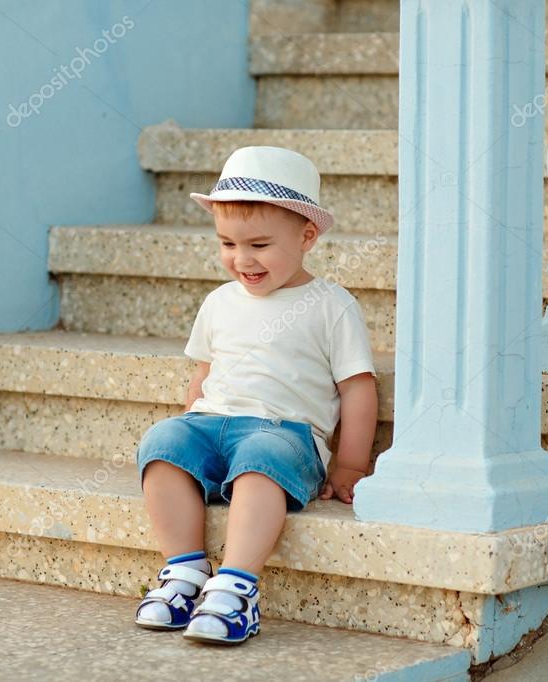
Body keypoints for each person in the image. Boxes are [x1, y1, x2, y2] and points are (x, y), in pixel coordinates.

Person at [133, 145, 378, 645]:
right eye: (227, 243)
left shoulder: (330, 305)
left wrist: (350, 466)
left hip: (283, 434)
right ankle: (184, 572)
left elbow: (358, 388)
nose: (241, 259)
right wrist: (188, 435)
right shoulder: (219, 301)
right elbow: (204, 373)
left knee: (261, 456)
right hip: (211, 422)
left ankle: (237, 587)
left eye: (259, 245)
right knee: (161, 443)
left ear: (306, 235)